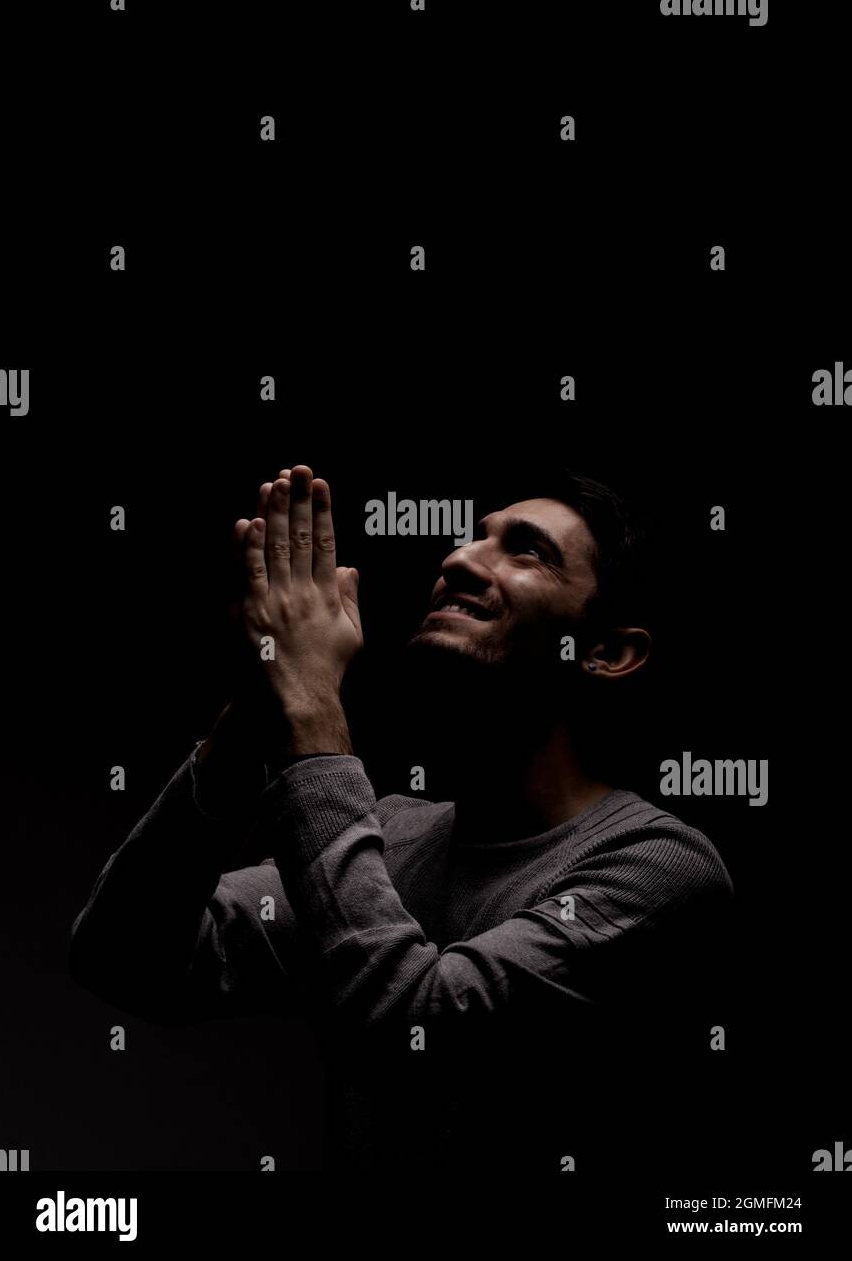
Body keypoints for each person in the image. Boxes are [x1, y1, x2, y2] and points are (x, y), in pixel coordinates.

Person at [69, 464, 733, 1172]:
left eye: (527, 550)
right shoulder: (390, 835)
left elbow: (414, 1029)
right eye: (473, 538)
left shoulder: (657, 867)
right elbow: (125, 957)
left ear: (607, 652)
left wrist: (313, 707)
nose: (457, 559)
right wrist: (259, 710)